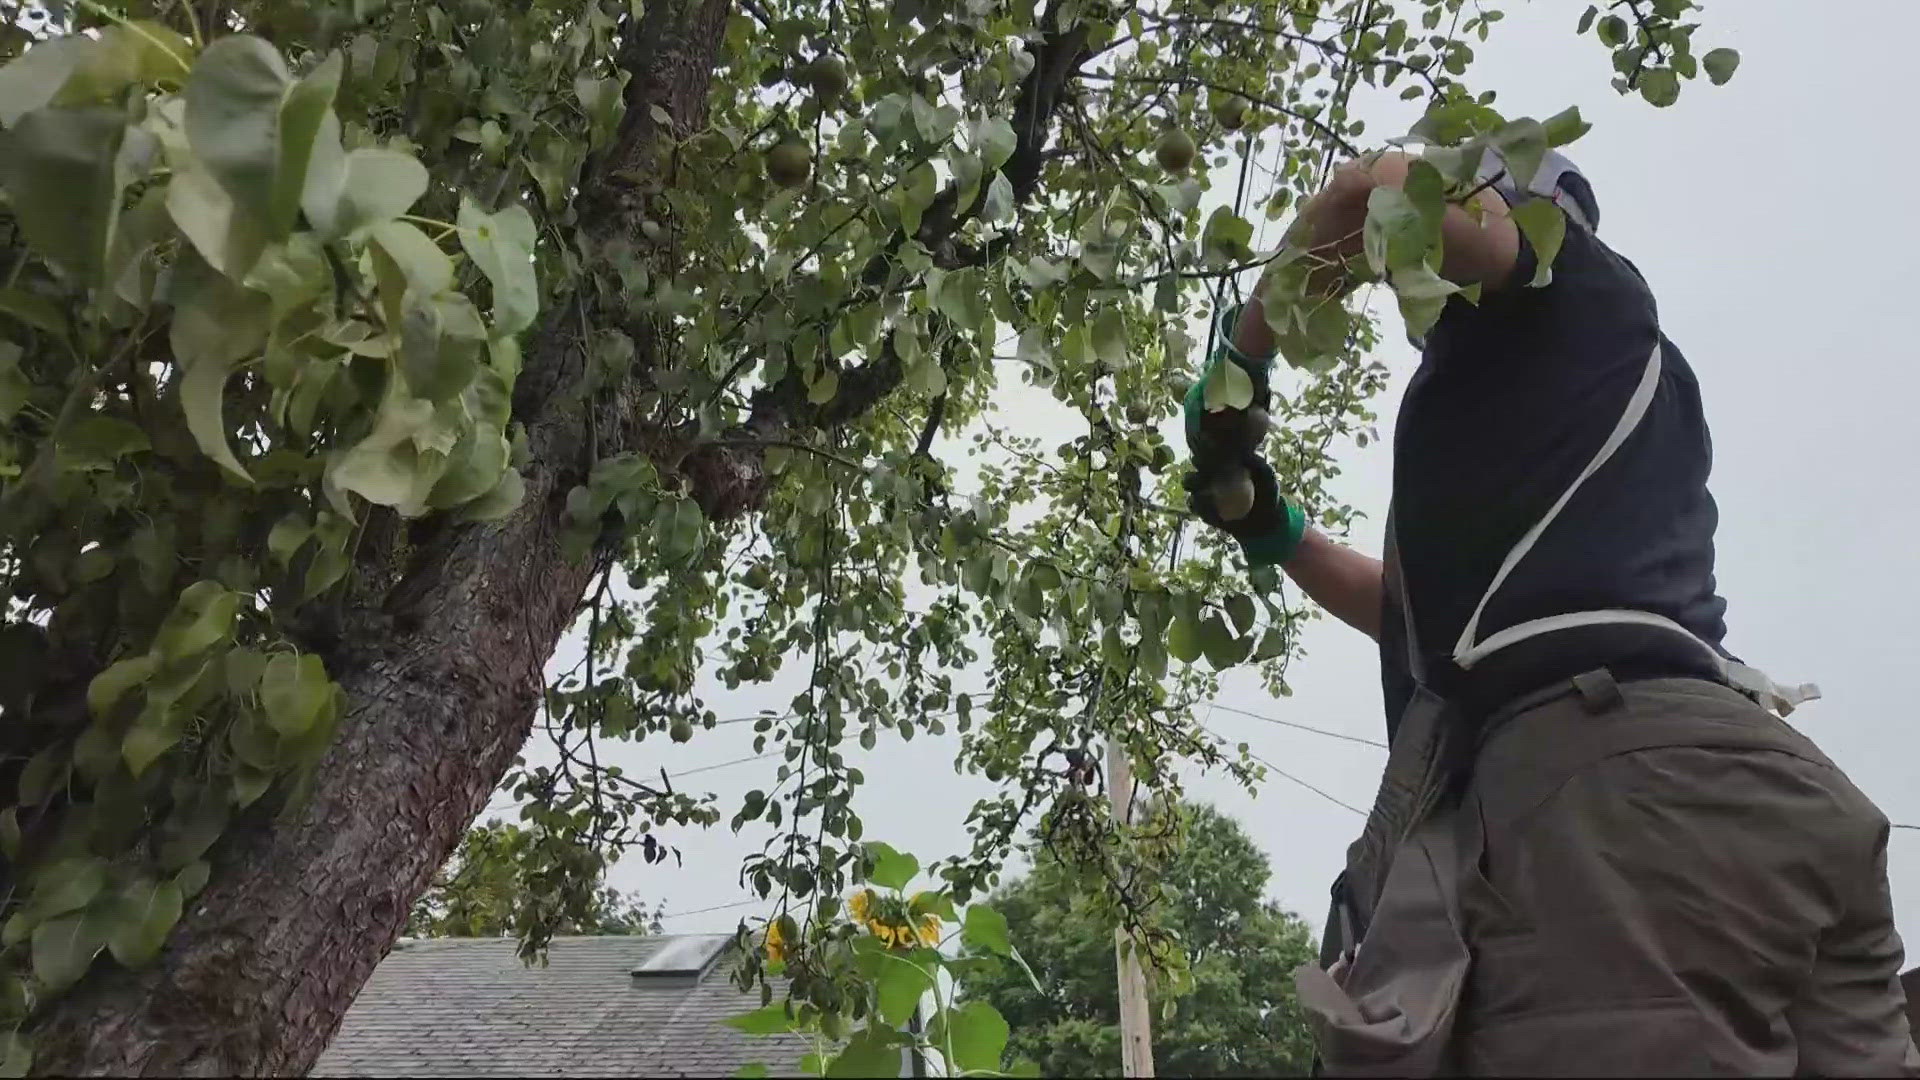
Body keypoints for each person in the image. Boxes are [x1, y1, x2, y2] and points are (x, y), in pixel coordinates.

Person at [1180, 144, 1920, 1075]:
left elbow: (1372, 186)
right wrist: (1279, 534)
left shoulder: (1572, 277)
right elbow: (1412, 616)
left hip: (1618, 809)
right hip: (1771, 800)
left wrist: (1241, 365)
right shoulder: (1568, 411)